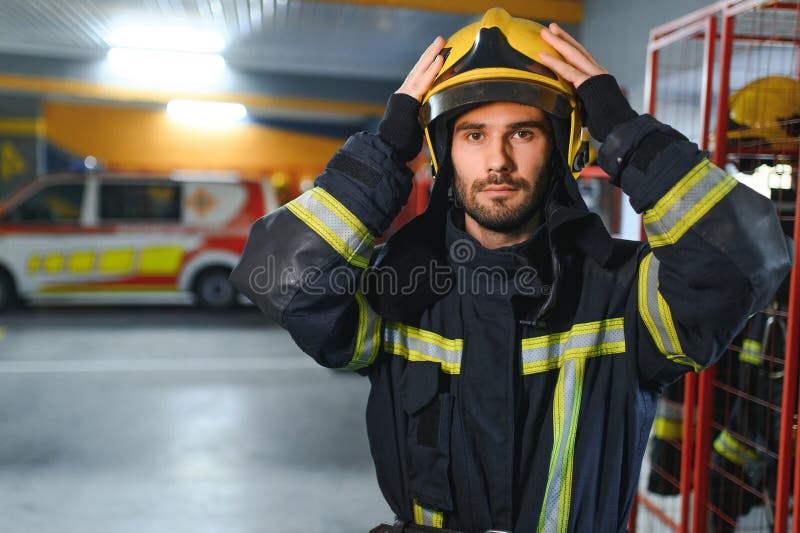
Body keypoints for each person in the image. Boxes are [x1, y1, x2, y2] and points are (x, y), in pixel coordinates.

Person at [230, 8, 792, 533]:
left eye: (523, 133)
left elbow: (746, 259)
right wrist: (383, 151)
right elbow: (280, 277)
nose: (497, 160)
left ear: (566, 146)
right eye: (473, 135)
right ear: (444, 151)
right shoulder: (396, 290)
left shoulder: (630, 293)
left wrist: (629, 136)